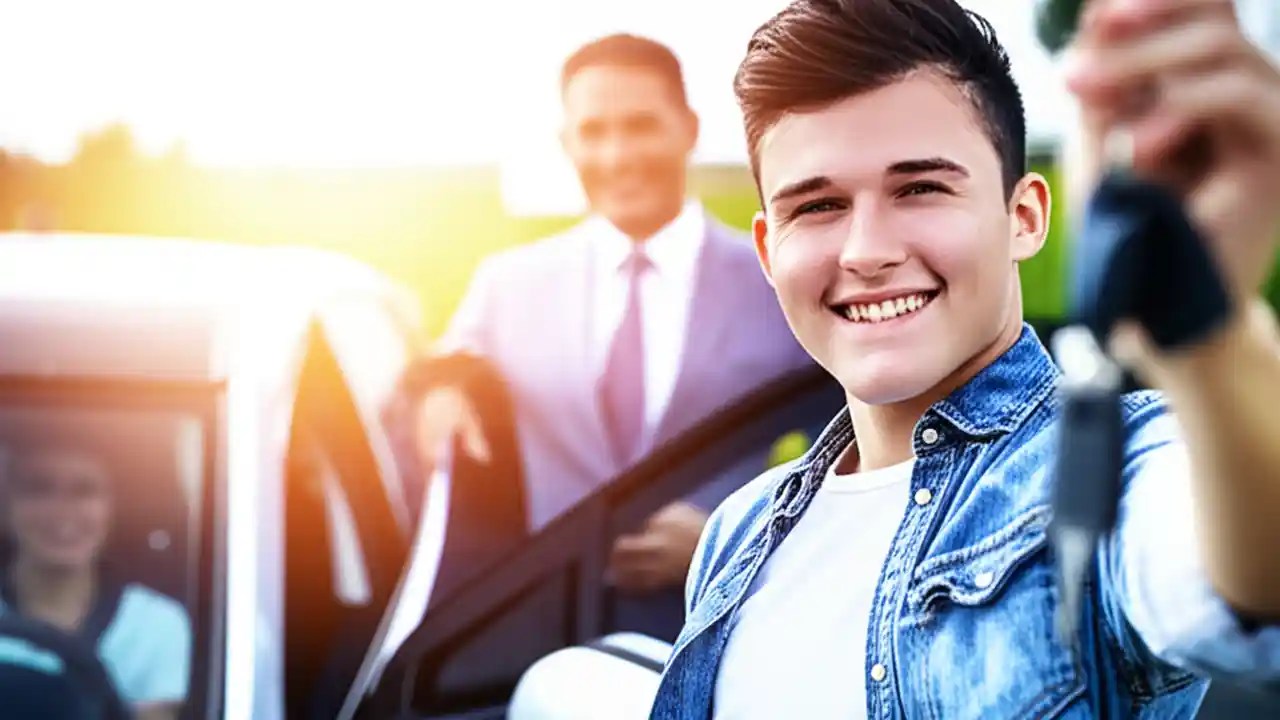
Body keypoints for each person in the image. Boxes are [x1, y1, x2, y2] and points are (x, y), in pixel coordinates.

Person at [649, 0, 1280, 717]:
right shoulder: (738, 532)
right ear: (768, 250)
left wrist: (1208, 335)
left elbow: (1250, 583)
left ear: (1025, 216)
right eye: (818, 207)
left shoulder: (1118, 469)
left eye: (920, 188)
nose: (867, 252)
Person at [413, 34, 810, 597]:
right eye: (593, 132)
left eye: (640, 126)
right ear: (565, 142)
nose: (617, 155)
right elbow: (442, 367)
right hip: (549, 632)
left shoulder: (777, 279)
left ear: (690, 129)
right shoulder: (507, 283)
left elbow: (855, 451)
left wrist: (733, 537)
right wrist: (441, 392)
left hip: (723, 615)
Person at [0, 444, 191, 720]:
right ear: (6, 507)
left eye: (84, 491)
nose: (61, 512)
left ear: (113, 507)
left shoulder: (156, 625)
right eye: (39, 489)